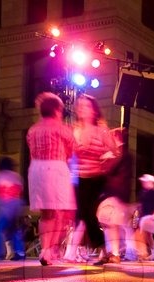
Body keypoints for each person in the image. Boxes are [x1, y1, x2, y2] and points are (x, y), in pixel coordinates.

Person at [64, 94, 119, 263]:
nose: (82, 109)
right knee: (83, 216)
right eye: (80, 106)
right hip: (81, 179)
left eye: (86, 106)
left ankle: (104, 248)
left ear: (94, 110)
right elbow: (68, 154)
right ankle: (102, 249)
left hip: (97, 178)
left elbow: (114, 152)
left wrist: (107, 157)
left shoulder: (101, 130)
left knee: (89, 214)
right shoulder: (75, 130)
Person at [26, 92, 76, 266]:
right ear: (56, 109)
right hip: (56, 167)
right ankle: (50, 250)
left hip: (36, 168)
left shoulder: (33, 130)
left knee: (46, 213)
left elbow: (32, 152)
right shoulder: (62, 128)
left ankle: (46, 249)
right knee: (59, 212)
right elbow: (70, 152)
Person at [94, 128, 133, 265]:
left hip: (114, 194)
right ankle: (111, 253)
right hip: (111, 194)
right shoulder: (118, 154)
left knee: (110, 224)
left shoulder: (121, 155)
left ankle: (113, 253)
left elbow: (116, 176)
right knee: (108, 224)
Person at [136, 174, 154, 261]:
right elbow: (140, 206)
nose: (143, 183)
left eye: (144, 181)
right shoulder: (142, 193)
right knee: (148, 236)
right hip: (143, 218)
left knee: (141, 234)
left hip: (150, 217)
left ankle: (143, 253)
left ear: (150, 182)